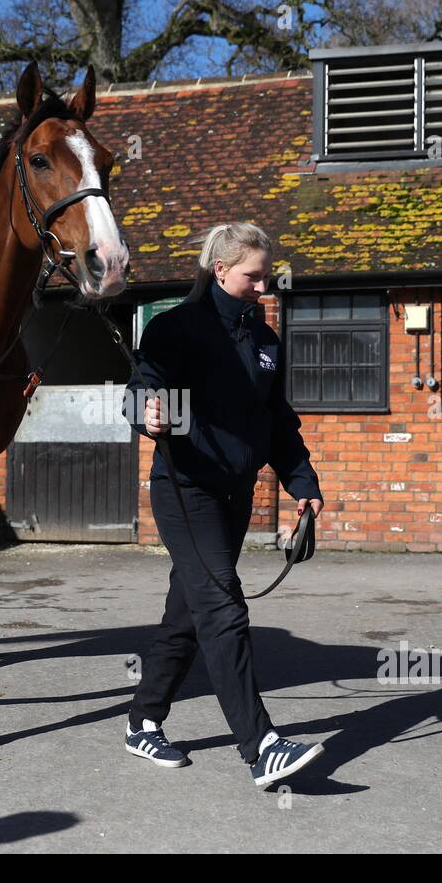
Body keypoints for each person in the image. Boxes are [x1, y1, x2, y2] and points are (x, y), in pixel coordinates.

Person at [123, 221, 329, 788]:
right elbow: (143, 383)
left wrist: (302, 481)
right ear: (219, 269)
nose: (263, 287)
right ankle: (261, 746)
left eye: (266, 277)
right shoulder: (176, 328)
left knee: (188, 616)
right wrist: (147, 411)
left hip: (236, 493)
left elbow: (277, 420)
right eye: (252, 276)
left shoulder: (263, 340)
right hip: (186, 492)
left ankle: (142, 720)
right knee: (223, 609)